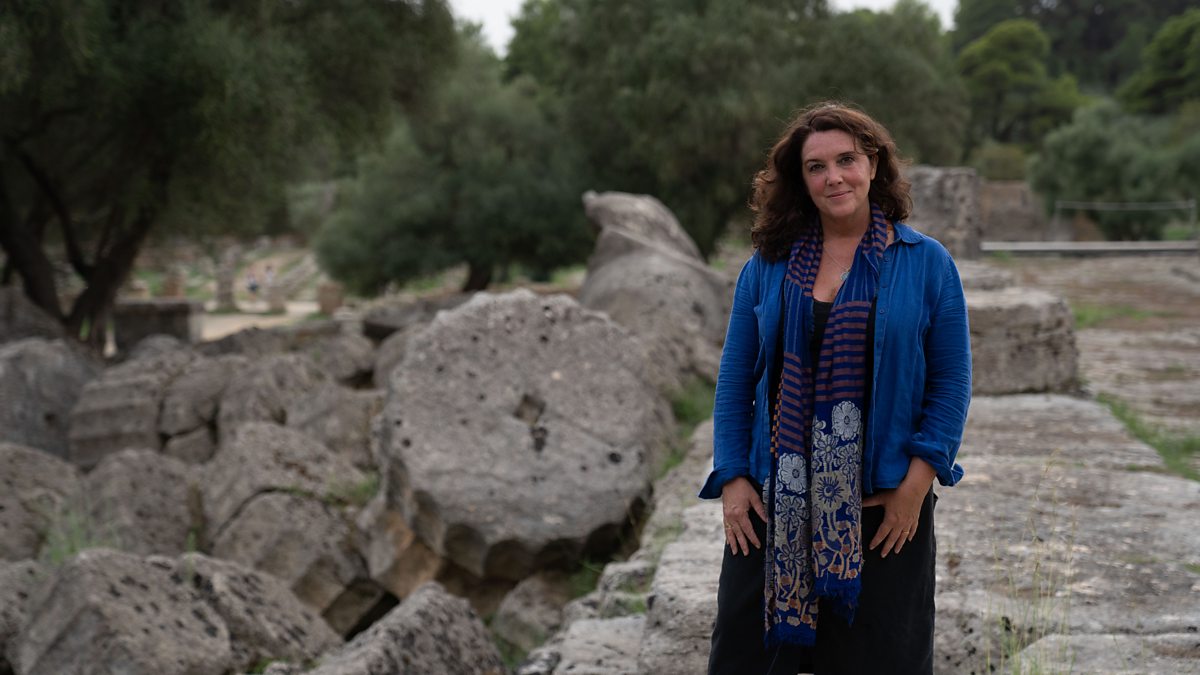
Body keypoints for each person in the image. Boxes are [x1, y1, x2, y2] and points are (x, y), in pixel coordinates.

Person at [701, 101, 972, 674]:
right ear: (801, 180)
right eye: (816, 167)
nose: (834, 177)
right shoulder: (766, 267)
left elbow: (951, 385)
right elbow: (734, 382)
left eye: (846, 160)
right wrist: (732, 478)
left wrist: (915, 488)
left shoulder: (927, 263)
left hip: (885, 516)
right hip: (772, 511)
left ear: (873, 164)